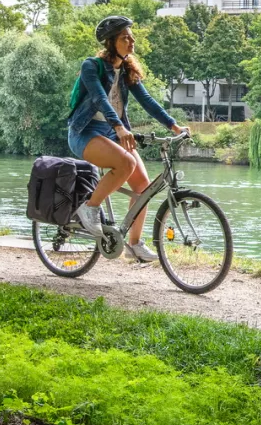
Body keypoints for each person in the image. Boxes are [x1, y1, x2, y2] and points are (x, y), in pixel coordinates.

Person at [67, 16, 189, 260]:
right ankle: (89, 208)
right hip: (85, 132)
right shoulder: (92, 66)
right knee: (126, 164)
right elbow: (100, 97)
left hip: (113, 133)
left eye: (132, 36)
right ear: (111, 42)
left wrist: (174, 126)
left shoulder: (127, 70)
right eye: (125, 37)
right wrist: (119, 127)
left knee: (142, 186)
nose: (132, 40)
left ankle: (133, 244)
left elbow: (147, 101)